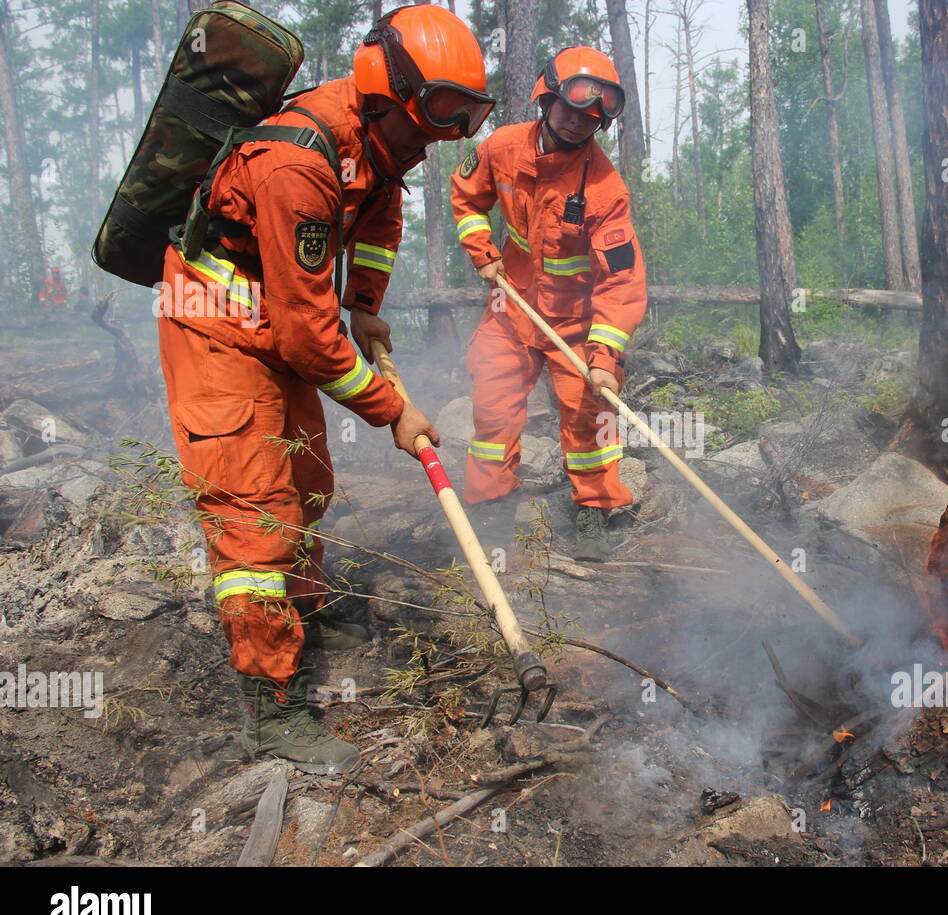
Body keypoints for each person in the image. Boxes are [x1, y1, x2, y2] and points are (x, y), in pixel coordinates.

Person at [156, 4, 493, 774]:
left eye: (448, 130)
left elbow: (378, 217)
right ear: (385, 95)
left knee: (306, 476)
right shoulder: (298, 161)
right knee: (253, 513)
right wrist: (392, 410)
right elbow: (309, 341)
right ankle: (271, 706)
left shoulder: (373, 140)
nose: (429, 147)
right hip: (215, 324)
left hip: (276, 319)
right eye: (423, 130)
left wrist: (365, 306)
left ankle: (301, 608)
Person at [444, 47, 648, 561]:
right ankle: (491, 511)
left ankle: (594, 514)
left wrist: (602, 360)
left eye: (591, 118)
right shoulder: (503, 146)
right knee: (492, 408)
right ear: (546, 98)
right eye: (571, 110)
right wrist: (481, 251)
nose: (579, 123)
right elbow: (468, 197)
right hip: (510, 309)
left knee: (590, 413)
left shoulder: (606, 190)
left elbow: (621, 285)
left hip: (577, 324)